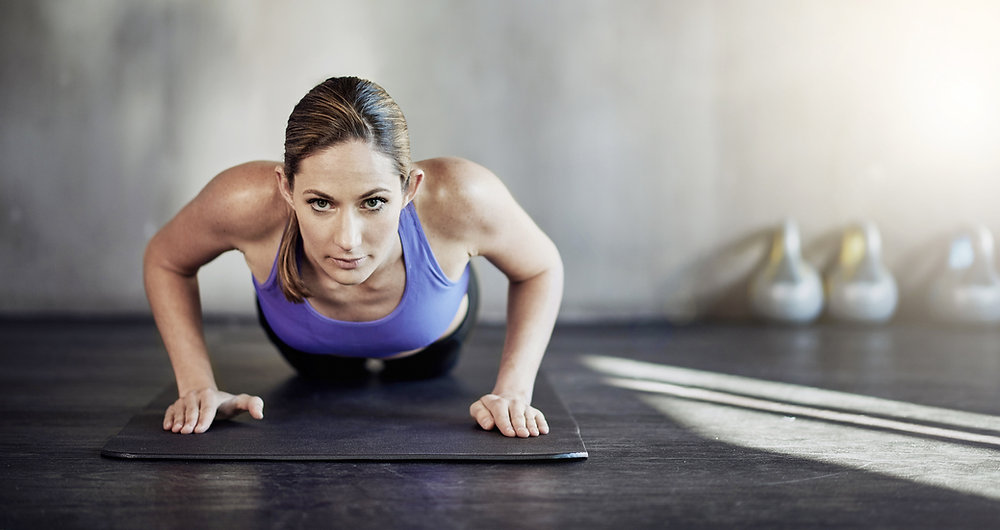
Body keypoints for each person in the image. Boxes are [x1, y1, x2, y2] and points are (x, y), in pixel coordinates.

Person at [143, 76, 563, 438]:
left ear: (410, 188)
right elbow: (166, 259)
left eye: (374, 202)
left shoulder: (463, 196)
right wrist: (196, 385)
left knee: (417, 376)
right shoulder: (243, 200)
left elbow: (540, 268)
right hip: (309, 351)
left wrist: (514, 391)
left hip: (428, 341)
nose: (348, 240)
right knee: (329, 382)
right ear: (286, 188)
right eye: (321, 203)